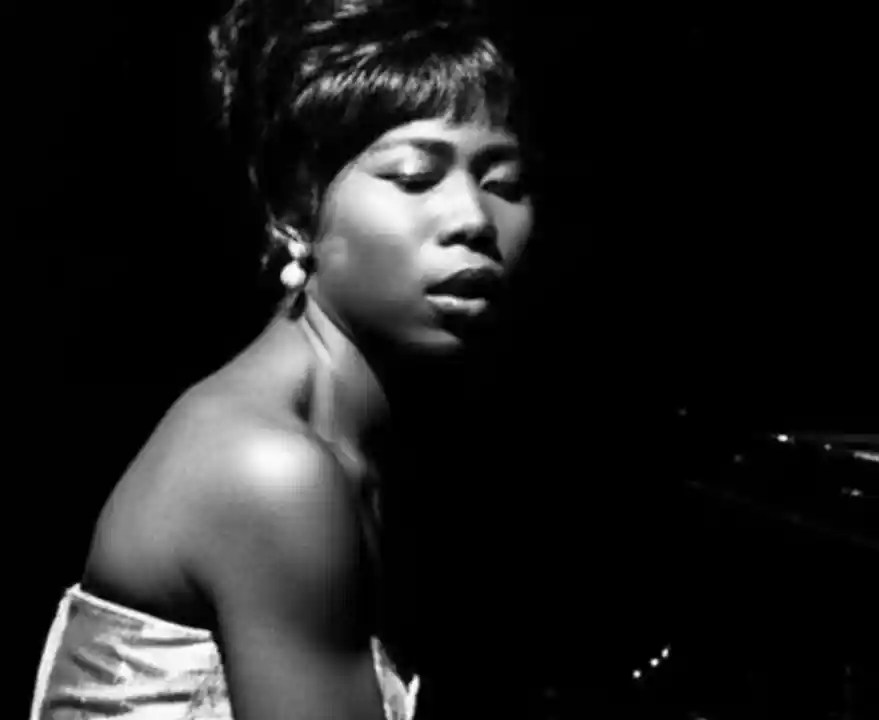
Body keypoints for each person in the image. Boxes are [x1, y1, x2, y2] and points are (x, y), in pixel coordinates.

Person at [28, 0, 535, 717]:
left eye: (505, 183)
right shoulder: (269, 467)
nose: (474, 221)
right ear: (296, 210)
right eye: (416, 176)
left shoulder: (372, 447)